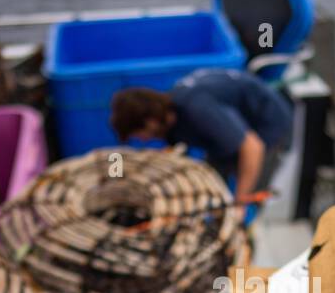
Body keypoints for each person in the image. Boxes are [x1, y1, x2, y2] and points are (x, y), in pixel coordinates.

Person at [109, 68, 293, 205]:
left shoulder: (197, 110)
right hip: (230, 130)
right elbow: (176, 146)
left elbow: (253, 147)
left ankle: (244, 233)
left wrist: (241, 199)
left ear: (150, 122)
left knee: (245, 194)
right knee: (213, 183)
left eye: (138, 134)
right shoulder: (171, 111)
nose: (141, 140)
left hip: (266, 128)